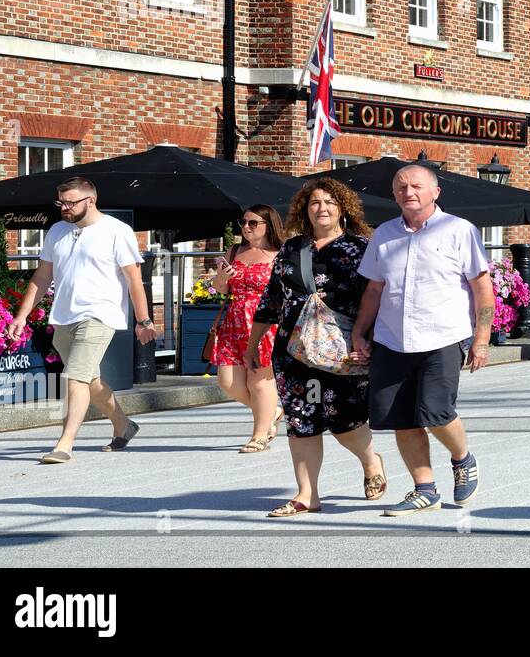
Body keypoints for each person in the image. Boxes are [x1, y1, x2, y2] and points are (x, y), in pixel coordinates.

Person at [349, 162, 495, 516]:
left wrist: (482, 338)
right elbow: (374, 289)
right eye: (401, 187)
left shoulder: (459, 231)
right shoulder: (384, 234)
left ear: (435, 192)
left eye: (416, 186)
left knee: (436, 412)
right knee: (402, 417)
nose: (408, 192)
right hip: (392, 339)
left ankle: (462, 458)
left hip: (442, 336)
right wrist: (359, 332)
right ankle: (424, 489)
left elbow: (482, 288)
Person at [248, 178, 386, 517]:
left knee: (345, 421)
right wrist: (254, 343)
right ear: (304, 210)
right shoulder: (292, 249)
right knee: (301, 419)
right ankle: (307, 494)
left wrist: (371, 341)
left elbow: (378, 298)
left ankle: (371, 461)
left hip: (344, 351)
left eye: (329, 202)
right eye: (314, 203)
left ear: (342, 209)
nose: (321, 208)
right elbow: (272, 298)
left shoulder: (360, 248)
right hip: (293, 351)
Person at [6, 178, 157, 463]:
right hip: (64, 315)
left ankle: (65, 444)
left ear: (91, 200)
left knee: (75, 377)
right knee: (89, 378)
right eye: (61, 202)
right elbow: (42, 276)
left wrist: (144, 320)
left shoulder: (117, 231)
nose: (64, 207)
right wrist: (22, 315)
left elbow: (134, 280)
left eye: (70, 202)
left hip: (100, 314)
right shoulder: (57, 231)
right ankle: (123, 424)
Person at [211, 204, 284, 453]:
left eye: (253, 223)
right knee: (227, 380)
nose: (246, 228)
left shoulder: (280, 253)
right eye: (243, 222)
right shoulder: (234, 250)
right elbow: (221, 289)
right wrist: (223, 276)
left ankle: (259, 435)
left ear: (268, 225)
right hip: (235, 320)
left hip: (264, 322)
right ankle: (271, 410)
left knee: (258, 381)